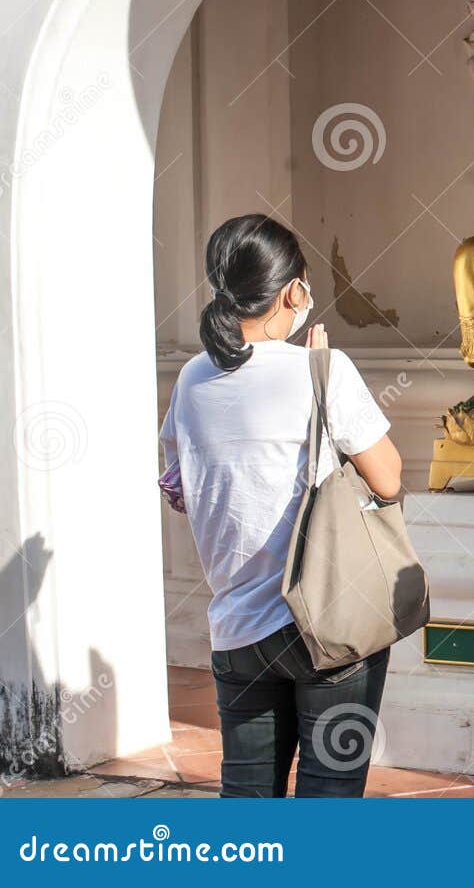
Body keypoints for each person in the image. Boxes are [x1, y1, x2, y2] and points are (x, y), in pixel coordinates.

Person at [159, 213, 403, 797]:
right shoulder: (324, 371)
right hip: (328, 623)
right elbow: (389, 479)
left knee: (247, 799)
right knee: (328, 794)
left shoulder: (192, 379)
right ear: (294, 290)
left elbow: (179, 491)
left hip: (238, 629)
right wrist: (321, 374)